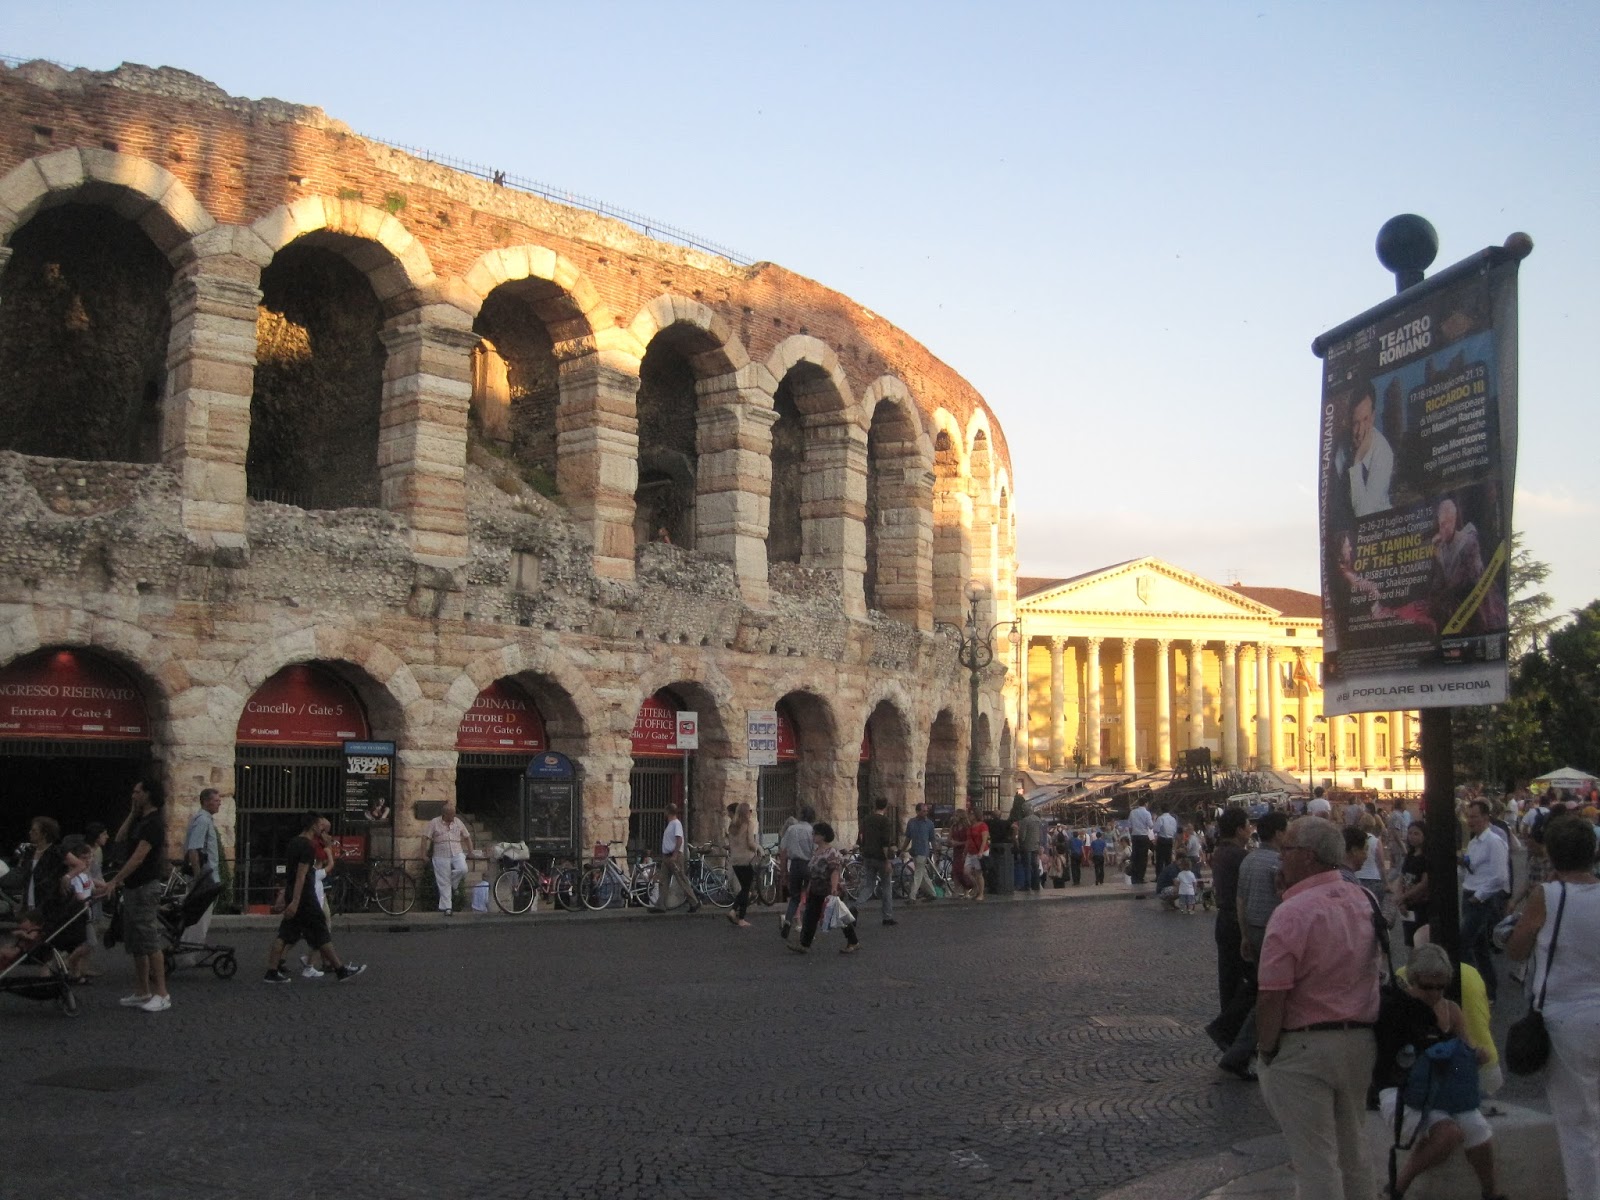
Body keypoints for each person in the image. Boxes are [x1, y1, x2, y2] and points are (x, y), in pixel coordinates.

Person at [1255, 816, 1381, 1200]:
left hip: (1305, 1045)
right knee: (1354, 1151)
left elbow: (1272, 994)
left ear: (1307, 857)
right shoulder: (1366, 900)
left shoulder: (1293, 912)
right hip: (1360, 1039)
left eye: (1287, 849)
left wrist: (1267, 1049)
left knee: (1315, 1161)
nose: (1281, 856)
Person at [1506, 815, 1600, 1200]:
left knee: (1577, 1121)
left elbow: (1517, 948)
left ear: (1550, 853)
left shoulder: (1549, 895)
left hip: (1567, 1015)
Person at [1379, 943, 1504, 1200]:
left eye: (1440, 987)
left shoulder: (1451, 1010)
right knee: (1448, 1133)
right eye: (1427, 987)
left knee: (1479, 1131)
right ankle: (1397, 1188)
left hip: (1442, 1090)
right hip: (1405, 1089)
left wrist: (1474, 1056)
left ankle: (1490, 1193)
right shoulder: (1398, 1010)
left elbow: (1464, 1054)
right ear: (1413, 980)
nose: (1434, 993)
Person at [263, 810, 365, 983]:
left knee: (286, 933)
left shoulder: (294, 842)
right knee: (320, 931)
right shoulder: (308, 847)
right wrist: (295, 901)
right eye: (319, 825)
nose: (321, 829)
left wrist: (285, 896)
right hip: (304, 896)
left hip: (295, 894)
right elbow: (301, 875)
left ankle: (272, 971)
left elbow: (291, 874)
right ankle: (339, 969)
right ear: (312, 826)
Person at [97, 780, 172, 1011]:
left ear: (148, 794)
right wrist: (131, 813)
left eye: (137, 792)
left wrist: (114, 880)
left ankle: (162, 993)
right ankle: (142, 990)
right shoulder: (140, 820)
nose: (133, 795)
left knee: (149, 939)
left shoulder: (155, 824)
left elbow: (138, 857)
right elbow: (119, 838)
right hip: (132, 888)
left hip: (144, 887)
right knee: (136, 941)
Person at [1460, 800, 1510, 1003]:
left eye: (1475, 817)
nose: (1471, 821)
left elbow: (1501, 876)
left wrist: (1478, 896)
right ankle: (1489, 990)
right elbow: (1472, 868)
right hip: (1469, 892)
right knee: (1479, 948)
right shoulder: (1473, 842)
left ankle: (1473, 986)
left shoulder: (1494, 842)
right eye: (1469, 817)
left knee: (1463, 944)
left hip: (1480, 898)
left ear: (1486, 818)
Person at [786, 821, 859, 955]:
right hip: (815, 888)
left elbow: (835, 871)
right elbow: (812, 871)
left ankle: (853, 941)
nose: (812, 836)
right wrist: (808, 887)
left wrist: (834, 887)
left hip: (827, 889)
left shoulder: (831, 852)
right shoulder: (817, 851)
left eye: (815, 834)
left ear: (823, 836)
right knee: (810, 916)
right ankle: (804, 944)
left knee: (840, 916)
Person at [1209, 809, 1251, 1014]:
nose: (1251, 830)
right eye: (1248, 826)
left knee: (1228, 977)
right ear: (1239, 830)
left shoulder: (1220, 852)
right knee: (1243, 976)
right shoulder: (1240, 856)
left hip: (1224, 918)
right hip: (1237, 918)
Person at [179, 787, 223, 958]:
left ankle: (191, 948)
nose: (219, 803)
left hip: (206, 875)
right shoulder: (203, 820)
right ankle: (189, 950)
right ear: (206, 801)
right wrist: (199, 877)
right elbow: (194, 849)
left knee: (200, 914)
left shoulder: (204, 819)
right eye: (216, 800)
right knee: (200, 916)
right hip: (205, 876)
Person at [1348, 384, 1394, 516]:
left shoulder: (1383, 452)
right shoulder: (1342, 449)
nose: (1360, 431)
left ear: (1373, 417)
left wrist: (1357, 461)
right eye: (1355, 423)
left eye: (1366, 419)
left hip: (1381, 529)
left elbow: (1364, 513)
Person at [421, 801, 473, 915]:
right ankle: (447, 908)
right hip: (440, 854)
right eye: (450, 815)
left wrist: (470, 851)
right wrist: (423, 854)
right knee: (443, 882)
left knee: (463, 869)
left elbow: (467, 837)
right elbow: (425, 838)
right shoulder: (434, 822)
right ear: (444, 814)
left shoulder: (458, 822)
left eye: (454, 814)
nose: (453, 817)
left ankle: (454, 884)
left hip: (457, 851)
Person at [649, 801, 698, 914]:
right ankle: (660, 904)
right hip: (667, 856)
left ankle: (694, 901)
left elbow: (679, 839)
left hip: (673, 856)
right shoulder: (671, 824)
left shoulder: (676, 824)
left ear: (668, 812)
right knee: (663, 880)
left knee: (681, 878)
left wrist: (675, 854)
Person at [855, 796, 896, 925]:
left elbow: (861, 837)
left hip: (868, 856)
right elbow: (885, 842)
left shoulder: (866, 819)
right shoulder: (885, 821)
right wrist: (888, 861)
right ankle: (887, 917)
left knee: (869, 885)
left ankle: (855, 906)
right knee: (886, 887)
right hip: (880, 857)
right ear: (886, 807)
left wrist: (862, 849)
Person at [777, 805, 815, 937]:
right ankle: (806, 926)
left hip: (794, 865)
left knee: (794, 897)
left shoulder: (791, 829)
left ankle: (788, 920)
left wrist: (783, 872)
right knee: (809, 896)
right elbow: (815, 851)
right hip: (808, 864)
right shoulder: (812, 831)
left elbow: (783, 852)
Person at [723, 801, 761, 929]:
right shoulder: (748, 824)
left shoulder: (732, 826)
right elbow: (750, 842)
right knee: (746, 889)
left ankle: (734, 911)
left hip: (735, 860)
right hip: (746, 859)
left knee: (744, 888)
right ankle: (740, 917)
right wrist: (759, 848)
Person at [1394, 820, 1430, 948]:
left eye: (1416, 833)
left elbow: (1425, 883)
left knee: (1421, 941)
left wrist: (1403, 897)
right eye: (1410, 833)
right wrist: (1400, 900)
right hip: (1408, 905)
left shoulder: (1426, 857)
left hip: (1421, 905)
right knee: (1409, 941)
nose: (1412, 836)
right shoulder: (1410, 855)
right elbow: (1401, 878)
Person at [901, 802, 938, 902]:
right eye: (923, 811)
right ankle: (932, 893)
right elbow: (908, 838)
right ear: (917, 811)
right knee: (922, 874)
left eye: (926, 811)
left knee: (918, 874)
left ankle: (912, 896)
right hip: (915, 850)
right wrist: (903, 849)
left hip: (923, 851)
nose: (925, 813)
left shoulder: (929, 824)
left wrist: (935, 852)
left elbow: (932, 839)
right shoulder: (911, 822)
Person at [964, 806, 990, 902]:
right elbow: (968, 840)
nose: (969, 816)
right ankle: (976, 887)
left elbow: (984, 840)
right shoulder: (970, 827)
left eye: (971, 814)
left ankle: (981, 893)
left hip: (979, 851)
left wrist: (981, 851)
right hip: (971, 852)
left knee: (979, 873)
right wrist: (965, 852)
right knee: (966, 872)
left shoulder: (983, 826)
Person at [1017, 805, 1044, 892]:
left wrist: (1020, 841)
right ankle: (1036, 885)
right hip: (1036, 845)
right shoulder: (1038, 820)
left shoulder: (1025, 820)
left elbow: (1022, 836)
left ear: (1026, 811)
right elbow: (1040, 833)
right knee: (1035, 865)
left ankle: (1027, 885)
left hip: (1027, 846)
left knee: (1027, 866)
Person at [1128, 797, 1154, 884]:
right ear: (1146, 803)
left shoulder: (1132, 812)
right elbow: (1150, 826)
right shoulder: (1147, 813)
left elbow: (1130, 826)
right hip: (1143, 836)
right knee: (1143, 858)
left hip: (1135, 836)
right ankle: (1141, 876)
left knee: (1135, 856)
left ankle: (1134, 875)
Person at [1154, 804, 1178, 875]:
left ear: (1161, 810)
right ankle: (1168, 875)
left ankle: (1159, 876)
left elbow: (1156, 829)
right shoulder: (1173, 819)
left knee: (1160, 860)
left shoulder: (1160, 818)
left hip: (1162, 839)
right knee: (1168, 859)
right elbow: (1174, 830)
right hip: (1170, 839)